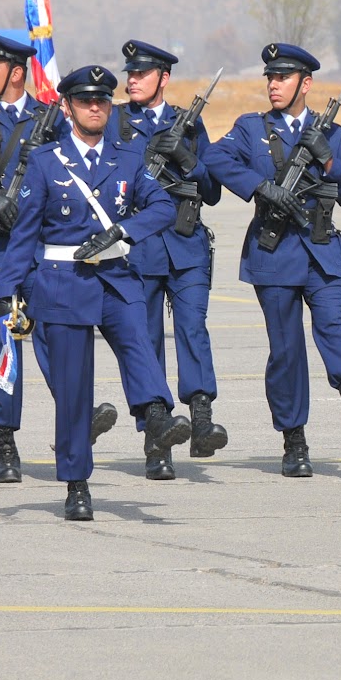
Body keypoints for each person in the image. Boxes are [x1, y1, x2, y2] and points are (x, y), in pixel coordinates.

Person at [0, 64, 191, 520]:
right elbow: (24, 235)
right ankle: (76, 482)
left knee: (139, 345)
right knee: (73, 389)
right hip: (62, 284)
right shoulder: (46, 162)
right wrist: (8, 292)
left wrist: (124, 232)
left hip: (114, 276)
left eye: (103, 100)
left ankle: (156, 418)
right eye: (85, 101)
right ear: (67, 108)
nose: (96, 107)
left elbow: (163, 205)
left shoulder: (126, 158)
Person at [0, 28, 112, 482]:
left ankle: (75, 423)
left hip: (42, 255)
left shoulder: (48, 115)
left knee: (59, 344)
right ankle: (5, 443)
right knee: (3, 349)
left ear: (15, 71)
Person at [204, 43, 341, 477]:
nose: (273, 85)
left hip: (322, 250)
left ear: (306, 84)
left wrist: (327, 157)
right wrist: (260, 187)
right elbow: (213, 157)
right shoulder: (251, 128)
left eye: (282, 78)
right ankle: (294, 438)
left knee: (332, 323)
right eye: (269, 77)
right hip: (275, 251)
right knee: (286, 350)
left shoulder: (332, 133)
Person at [117, 39, 229, 479]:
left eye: (141, 74)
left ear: (163, 79)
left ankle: (201, 418)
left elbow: (213, 191)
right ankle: (156, 436)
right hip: (140, 247)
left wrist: (188, 159)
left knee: (193, 330)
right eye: (129, 73)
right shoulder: (116, 123)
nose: (132, 81)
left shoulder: (189, 124)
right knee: (144, 340)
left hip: (185, 243)